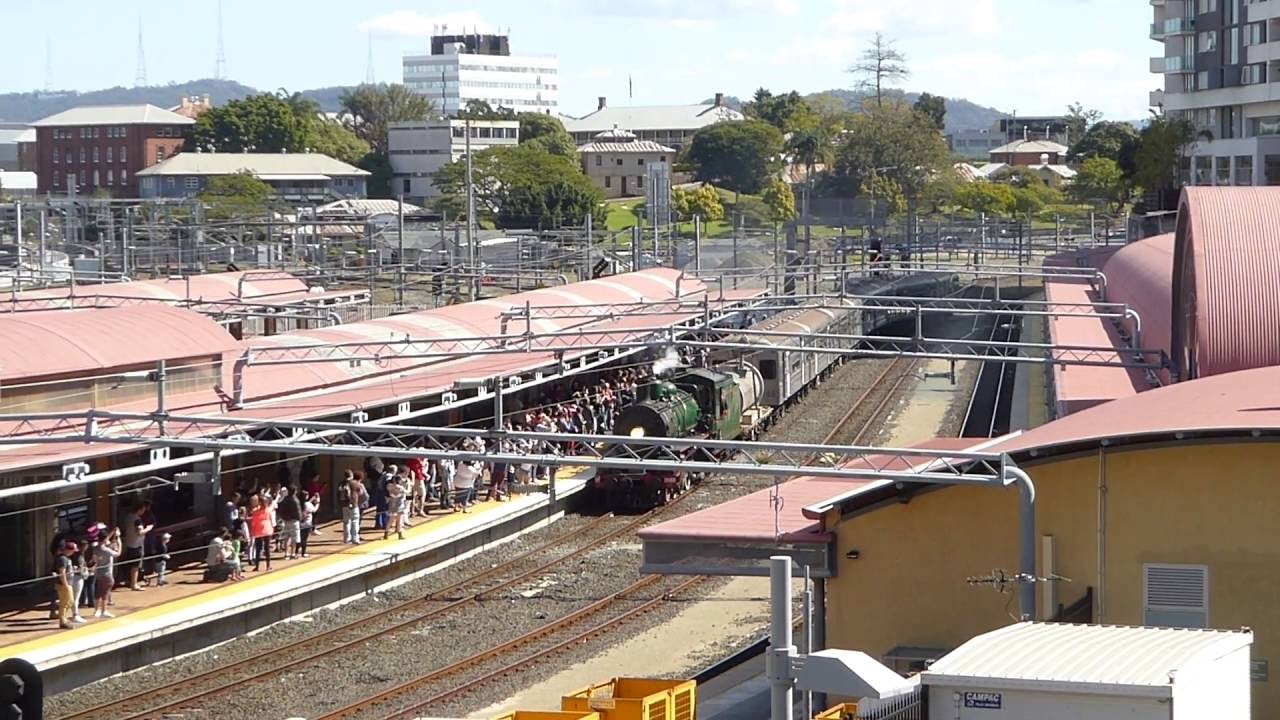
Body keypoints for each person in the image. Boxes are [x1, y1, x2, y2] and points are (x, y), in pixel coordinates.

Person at [120, 501, 153, 591]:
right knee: (135, 566)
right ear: (140, 509)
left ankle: (129, 580)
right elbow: (140, 532)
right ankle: (134, 584)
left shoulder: (128, 517)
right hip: (136, 545)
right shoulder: (137, 520)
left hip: (129, 543)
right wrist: (148, 528)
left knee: (129, 563)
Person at [93, 528, 121, 618]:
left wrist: (112, 532)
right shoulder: (106, 550)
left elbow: (104, 540)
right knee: (105, 592)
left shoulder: (96, 548)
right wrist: (119, 543)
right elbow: (118, 554)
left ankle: (96, 609)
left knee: (98, 591)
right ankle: (104, 610)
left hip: (98, 573)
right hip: (107, 574)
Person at [53, 541, 79, 629]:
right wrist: (65, 584)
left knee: (70, 601)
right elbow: (62, 572)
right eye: (72, 550)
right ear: (68, 550)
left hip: (68, 583)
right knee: (65, 602)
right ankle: (63, 621)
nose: (73, 553)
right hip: (64, 584)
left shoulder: (66, 558)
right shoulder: (62, 559)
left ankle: (64, 618)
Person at [248, 494, 275, 572]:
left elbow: (253, 522)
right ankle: (268, 565)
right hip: (266, 530)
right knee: (266, 548)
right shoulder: (268, 510)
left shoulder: (255, 511)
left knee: (259, 549)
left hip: (259, 531)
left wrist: (252, 531)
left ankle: (257, 566)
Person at [276, 486, 302, 560]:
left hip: (286, 521)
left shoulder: (284, 499)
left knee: (286, 538)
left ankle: (286, 554)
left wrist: (284, 517)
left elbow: (280, 510)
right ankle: (293, 554)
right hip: (294, 521)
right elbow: (298, 511)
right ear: (294, 491)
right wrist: (300, 519)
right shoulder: (295, 500)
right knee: (294, 538)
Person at [383, 475, 406, 540]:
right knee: (399, 520)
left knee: (391, 520)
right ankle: (400, 534)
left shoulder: (389, 486)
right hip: (399, 504)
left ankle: (386, 533)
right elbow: (406, 492)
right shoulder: (400, 488)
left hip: (391, 504)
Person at [299, 489, 319, 558]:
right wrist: (317, 503)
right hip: (307, 523)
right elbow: (314, 510)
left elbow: (307, 504)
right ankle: (303, 553)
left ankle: (295, 552)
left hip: (300, 523)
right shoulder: (307, 504)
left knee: (300, 538)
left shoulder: (299, 503)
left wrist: (311, 499)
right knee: (304, 539)